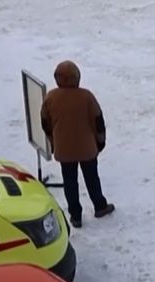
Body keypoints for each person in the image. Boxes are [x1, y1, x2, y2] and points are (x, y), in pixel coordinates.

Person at [39, 60, 115, 228]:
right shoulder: (86, 96)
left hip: (64, 150)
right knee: (92, 178)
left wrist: (53, 141)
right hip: (87, 148)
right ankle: (100, 206)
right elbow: (98, 121)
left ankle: (76, 216)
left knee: (70, 182)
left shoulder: (50, 97)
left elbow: (45, 122)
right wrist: (100, 143)